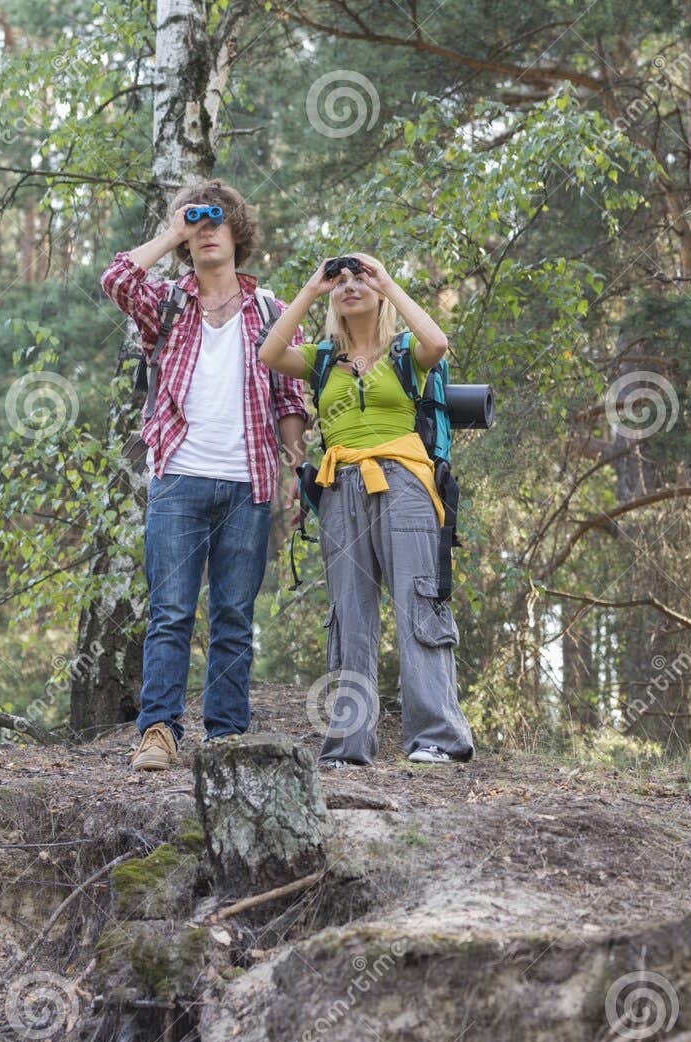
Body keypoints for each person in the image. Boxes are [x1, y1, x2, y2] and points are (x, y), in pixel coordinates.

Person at [100, 180, 307, 771]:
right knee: (169, 611)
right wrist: (174, 231)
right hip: (179, 479)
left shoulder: (270, 309)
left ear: (238, 232)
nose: (207, 228)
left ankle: (225, 738)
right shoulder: (167, 302)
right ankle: (159, 731)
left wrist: (298, 468)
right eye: (197, 222)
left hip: (250, 485)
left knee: (234, 618)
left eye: (217, 219)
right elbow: (116, 279)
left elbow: (290, 397)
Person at [258, 253, 473, 767]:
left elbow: (438, 343)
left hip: (404, 483)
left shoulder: (404, 353)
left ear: (378, 294)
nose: (350, 287)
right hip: (339, 487)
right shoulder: (323, 357)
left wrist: (389, 282)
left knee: (419, 604)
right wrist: (313, 287)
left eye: (360, 280)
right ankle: (348, 746)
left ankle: (436, 739)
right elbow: (269, 353)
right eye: (343, 282)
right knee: (348, 617)